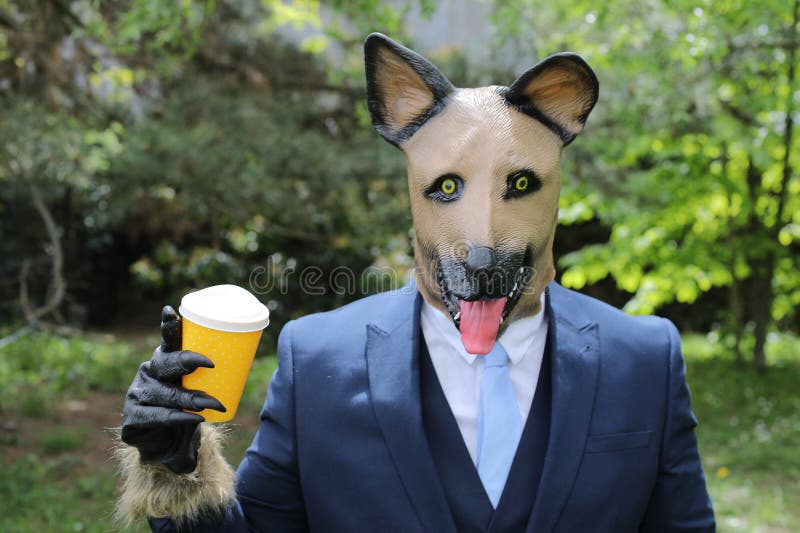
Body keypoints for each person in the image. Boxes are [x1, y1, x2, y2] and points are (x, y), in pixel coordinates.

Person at [117, 33, 715, 532]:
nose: (482, 242)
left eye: (520, 185)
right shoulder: (317, 362)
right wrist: (176, 469)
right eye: (447, 188)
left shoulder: (645, 360)